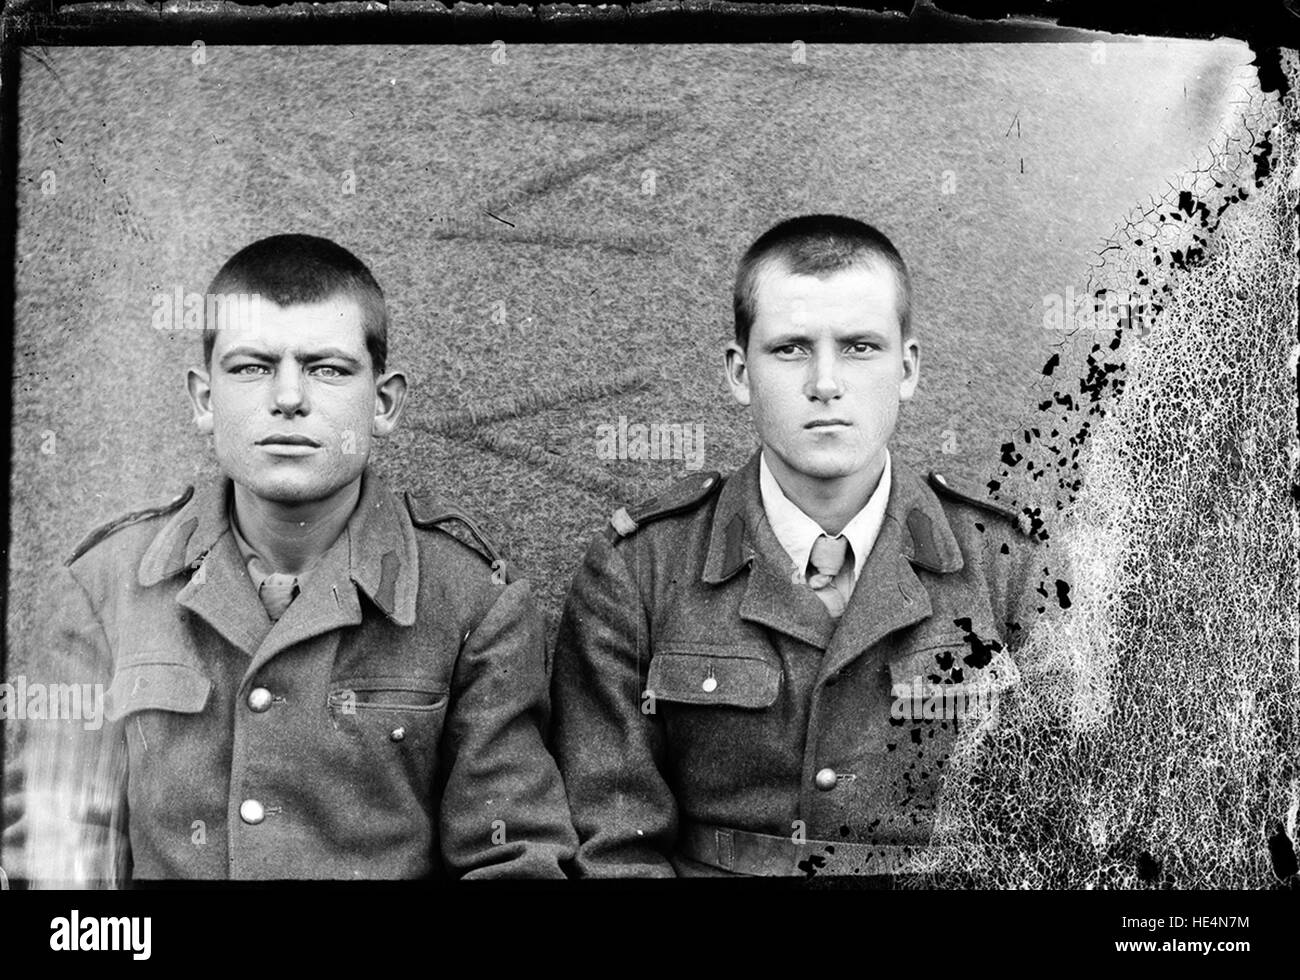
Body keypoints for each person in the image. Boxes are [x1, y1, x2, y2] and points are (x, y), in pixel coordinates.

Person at [2, 234, 576, 882]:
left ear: (382, 403)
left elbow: (512, 861)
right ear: (203, 398)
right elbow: (55, 853)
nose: (289, 397)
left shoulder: (471, 604)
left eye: (327, 368)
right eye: (251, 367)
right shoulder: (108, 589)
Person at [551, 214, 1067, 877]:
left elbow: (1061, 832)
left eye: (859, 347)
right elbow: (613, 847)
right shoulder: (641, 571)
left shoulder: (1009, 567)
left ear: (907, 369)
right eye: (791, 348)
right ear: (740, 373)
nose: (826, 382)